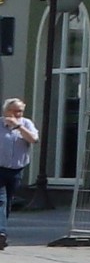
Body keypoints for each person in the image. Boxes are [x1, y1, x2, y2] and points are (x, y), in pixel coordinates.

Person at [0, 94, 37, 246]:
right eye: (14, 111)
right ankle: (1, 232)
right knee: (0, 200)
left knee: (8, 202)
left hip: (16, 170)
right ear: (6, 111)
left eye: (20, 111)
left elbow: (34, 139)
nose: (18, 114)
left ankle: (2, 229)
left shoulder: (26, 124)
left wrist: (18, 126)